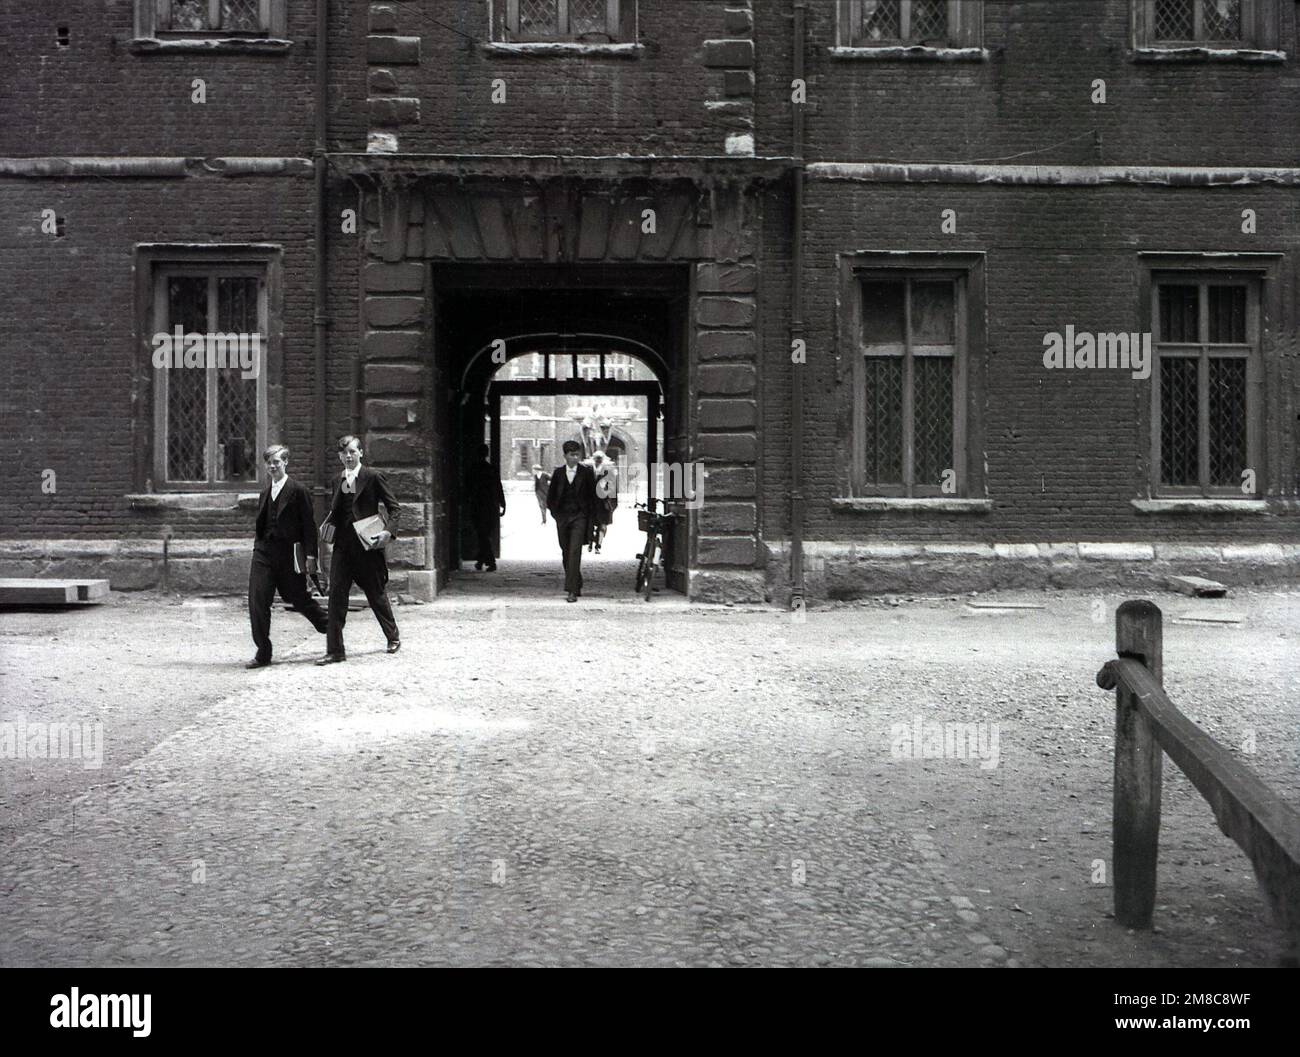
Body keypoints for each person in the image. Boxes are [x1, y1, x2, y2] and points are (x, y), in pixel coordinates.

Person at [315, 435, 401, 664]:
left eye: (353, 452)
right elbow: (336, 511)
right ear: (339, 456)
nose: (348, 456)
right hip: (343, 547)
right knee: (336, 597)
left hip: (367, 545)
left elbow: (395, 509)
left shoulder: (372, 477)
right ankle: (335, 651)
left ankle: (393, 637)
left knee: (376, 594)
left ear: (361, 453)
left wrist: (387, 532)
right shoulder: (337, 480)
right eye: (344, 453)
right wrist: (327, 531)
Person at [246, 444, 328, 668]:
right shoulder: (265, 492)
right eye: (269, 463)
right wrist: (258, 545)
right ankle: (263, 653)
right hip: (263, 554)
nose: (273, 466)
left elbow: (309, 527)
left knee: (298, 598)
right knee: (257, 600)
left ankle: (330, 629)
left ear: (286, 463)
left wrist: (311, 557)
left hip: (288, 556)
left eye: (277, 462)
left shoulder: (297, 490)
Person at [546, 440, 598, 603]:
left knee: (575, 551)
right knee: (565, 551)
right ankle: (577, 581)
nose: (575, 458)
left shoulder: (587, 472)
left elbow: (593, 496)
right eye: (572, 455)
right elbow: (551, 497)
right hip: (562, 517)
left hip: (579, 517)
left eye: (577, 455)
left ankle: (571, 590)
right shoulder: (558, 473)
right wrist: (556, 514)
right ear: (565, 456)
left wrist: (591, 518)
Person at [466, 443, 505, 571]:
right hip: (491, 506)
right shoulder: (492, 469)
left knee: (482, 534)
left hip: (478, 506)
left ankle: (490, 562)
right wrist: (503, 503)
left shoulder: (473, 469)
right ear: (487, 454)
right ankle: (481, 560)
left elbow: (468, 488)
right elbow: (498, 487)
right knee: (484, 534)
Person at [590, 450, 617, 554]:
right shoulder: (588, 471)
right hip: (591, 504)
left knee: (602, 526)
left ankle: (598, 545)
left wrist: (612, 505)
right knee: (590, 525)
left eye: (599, 459)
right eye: (596, 459)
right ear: (594, 459)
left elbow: (613, 489)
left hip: (603, 504)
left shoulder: (607, 472)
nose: (598, 461)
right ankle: (592, 542)